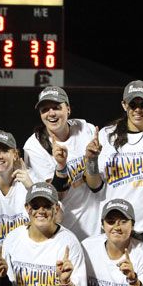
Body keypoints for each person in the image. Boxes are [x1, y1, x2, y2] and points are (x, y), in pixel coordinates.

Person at [89, 81, 143, 258]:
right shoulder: (107, 135)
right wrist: (91, 160)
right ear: (124, 105)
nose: (137, 110)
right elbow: (94, 185)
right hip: (116, 224)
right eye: (133, 104)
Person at [23, 86, 103, 241]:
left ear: (68, 109)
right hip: (64, 228)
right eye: (45, 109)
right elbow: (55, 196)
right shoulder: (35, 146)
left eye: (56, 107)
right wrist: (61, 166)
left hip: (96, 222)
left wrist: (91, 159)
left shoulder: (85, 129)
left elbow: (96, 186)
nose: (51, 113)